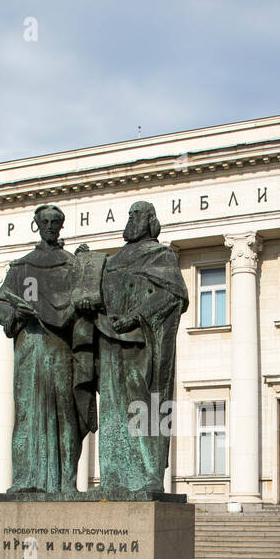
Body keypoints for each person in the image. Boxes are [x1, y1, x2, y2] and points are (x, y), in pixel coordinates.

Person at [0, 204, 97, 494]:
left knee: (66, 414)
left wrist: (87, 267)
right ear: (36, 225)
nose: (50, 226)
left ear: (61, 226)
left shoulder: (70, 265)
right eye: (45, 221)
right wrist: (14, 316)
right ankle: (26, 478)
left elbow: (87, 300)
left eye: (55, 221)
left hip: (60, 347)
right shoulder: (22, 266)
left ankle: (65, 482)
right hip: (29, 348)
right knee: (27, 412)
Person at [90, 201, 188, 493]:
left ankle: (148, 474)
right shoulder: (114, 260)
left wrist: (136, 316)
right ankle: (112, 478)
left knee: (142, 404)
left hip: (141, 342)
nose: (131, 219)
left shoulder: (162, 255)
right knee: (111, 405)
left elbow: (173, 296)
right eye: (129, 214)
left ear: (150, 221)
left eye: (137, 214)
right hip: (110, 339)